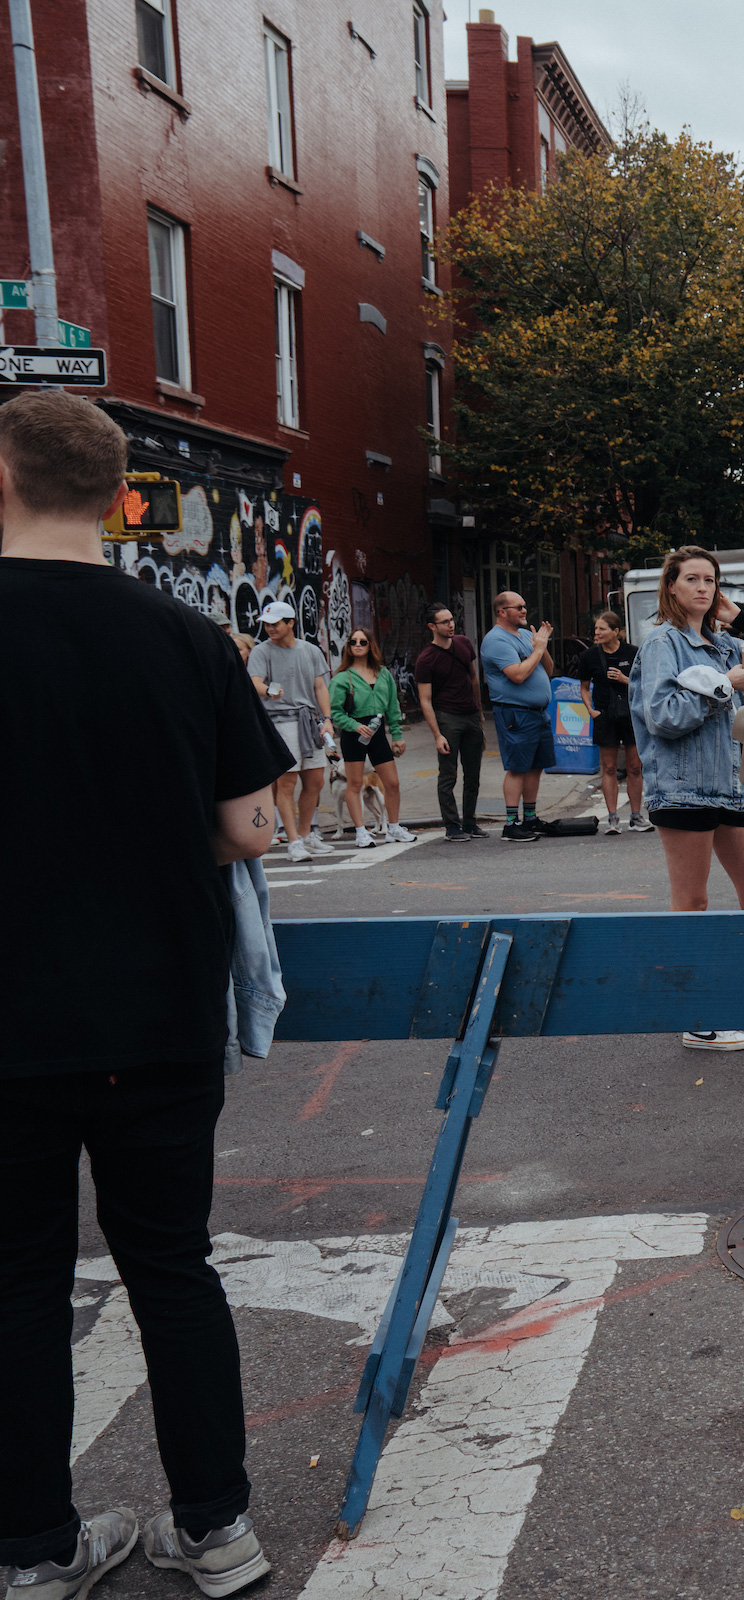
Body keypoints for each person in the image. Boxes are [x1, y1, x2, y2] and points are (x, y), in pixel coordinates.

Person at [0, 389, 287, 1599]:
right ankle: (216, 1529)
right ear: (119, 495)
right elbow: (252, 825)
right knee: (174, 1265)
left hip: (6, 1025)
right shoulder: (187, 640)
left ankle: (35, 1548)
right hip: (160, 1010)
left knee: (15, 1283)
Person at [629, 548, 744, 1054]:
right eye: (691, 579)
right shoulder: (661, 644)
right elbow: (663, 717)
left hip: (730, 787)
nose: (703, 588)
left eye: (711, 581)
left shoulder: (723, 644)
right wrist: (723, 687)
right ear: (670, 586)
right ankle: (697, 1016)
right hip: (683, 789)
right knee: (691, 903)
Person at [248, 598, 334, 863]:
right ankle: (293, 841)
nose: (270, 629)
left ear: (291, 623)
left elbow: (320, 687)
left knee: (316, 781)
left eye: (275, 624)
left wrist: (327, 720)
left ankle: (307, 834)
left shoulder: (310, 650)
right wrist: (270, 690)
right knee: (287, 782)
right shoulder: (262, 651)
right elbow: (254, 682)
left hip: (308, 721)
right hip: (280, 721)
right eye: (267, 624)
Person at [329, 630, 413, 848]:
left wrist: (397, 735)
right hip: (354, 734)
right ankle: (360, 832)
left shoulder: (383, 674)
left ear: (370, 646)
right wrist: (354, 726)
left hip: (378, 732)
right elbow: (334, 712)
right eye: (353, 642)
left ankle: (393, 828)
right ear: (348, 646)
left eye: (363, 642)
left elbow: (393, 706)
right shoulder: (342, 678)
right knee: (355, 783)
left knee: (392, 782)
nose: (358, 645)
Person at [481, 591, 553, 841]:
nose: (524, 610)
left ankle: (530, 818)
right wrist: (538, 649)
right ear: (502, 612)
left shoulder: (524, 635)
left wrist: (541, 649)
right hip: (516, 713)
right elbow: (518, 675)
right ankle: (511, 824)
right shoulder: (496, 640)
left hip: (538, 713)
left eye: (525, 606)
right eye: (518, 607)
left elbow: (549, 669)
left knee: (535, 767)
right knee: (517, 768)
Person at [413, 606, 487, 842]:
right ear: (432, 627)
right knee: (448, 775)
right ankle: (452, 826)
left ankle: (470, 822)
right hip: (447, 717)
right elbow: (425, 701)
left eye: (451, 620)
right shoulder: (426, 658)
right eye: (444, 622)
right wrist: (437, 734)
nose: (451, 625)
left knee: (473, 774)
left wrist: (480, 709)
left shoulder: (464, 643)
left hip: (471, 714)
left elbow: (474, 678)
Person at [577, 610, 648, 835]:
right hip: (604, 715)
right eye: (596, 629)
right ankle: (613, 818)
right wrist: (591, 710)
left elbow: (646, 683)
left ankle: (636, 816)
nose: (597, 633)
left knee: (635, 767)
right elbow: (584, 688)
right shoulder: (589, 656)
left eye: (602, 629)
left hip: (631, 715)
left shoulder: (633, 653)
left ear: (616, 631)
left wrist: (624, 679)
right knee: (608, 768)